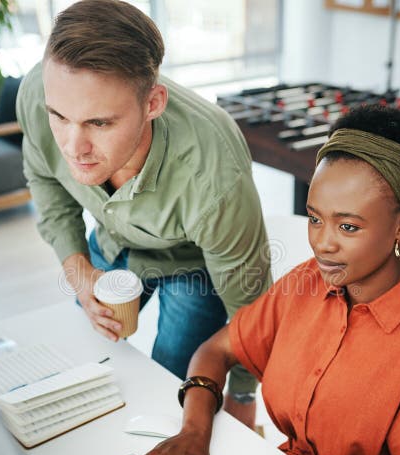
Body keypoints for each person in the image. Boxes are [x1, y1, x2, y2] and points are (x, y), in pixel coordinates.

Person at [133, 104, 400, 455]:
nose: (323, 244)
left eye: (349, 227)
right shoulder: (308, 283)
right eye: (315, 219)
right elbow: (217, 348)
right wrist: (194, 429)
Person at [16, 0, 271, 426]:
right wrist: (80, 273)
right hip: (115, 238)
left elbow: (251, 305)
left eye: (99, 124)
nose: (72, 147)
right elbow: (45, 181)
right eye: (60, 117)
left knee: (168, 390)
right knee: (87, 367)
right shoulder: (37, 94)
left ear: (153, 103)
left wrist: (243, 394)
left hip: (193, 264)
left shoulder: (214, 178)